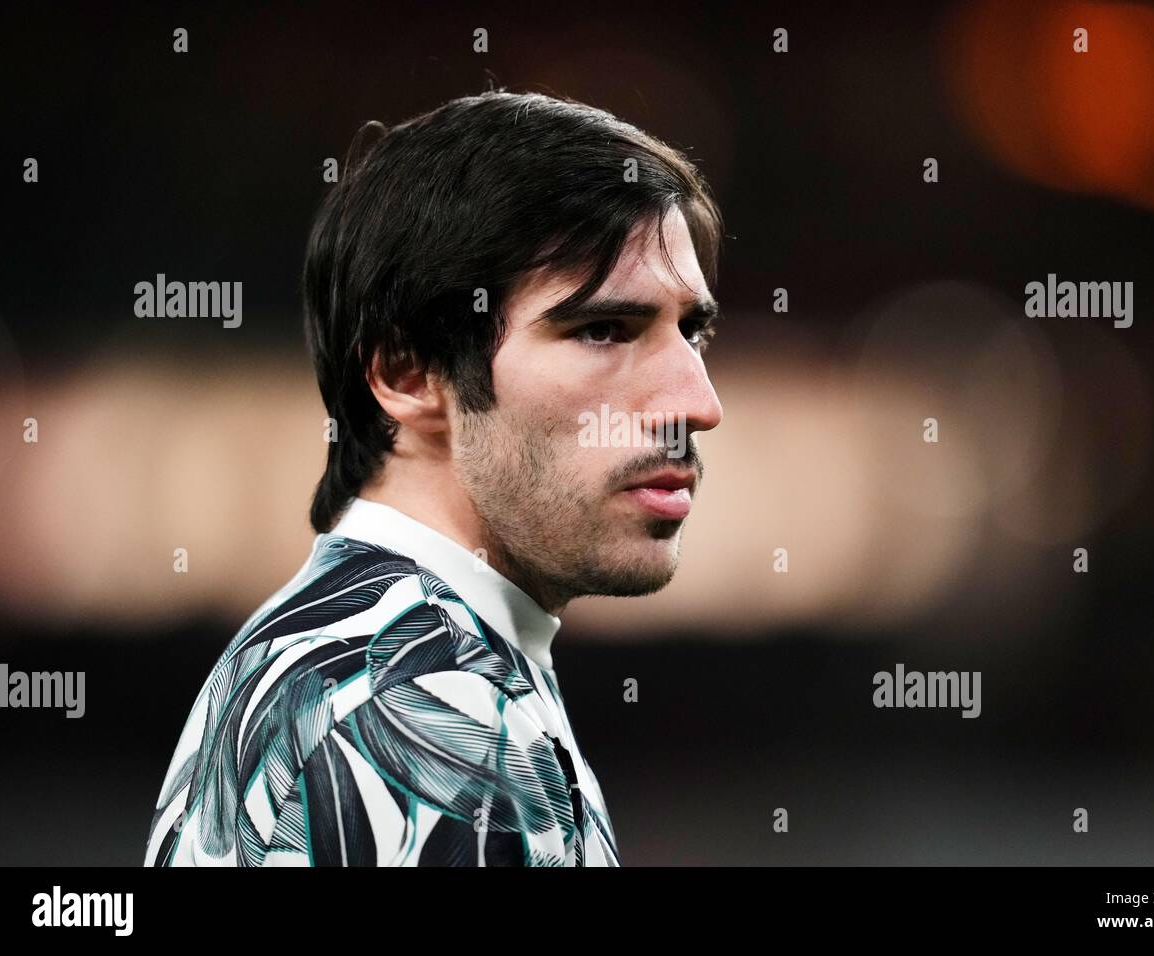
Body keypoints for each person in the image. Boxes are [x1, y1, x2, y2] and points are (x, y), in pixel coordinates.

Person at [144, 90, 725, 866]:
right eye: (602, 329)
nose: (698, 403)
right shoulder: (420, 701)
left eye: (691, 332)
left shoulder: (353, 658)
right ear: (408, 373)